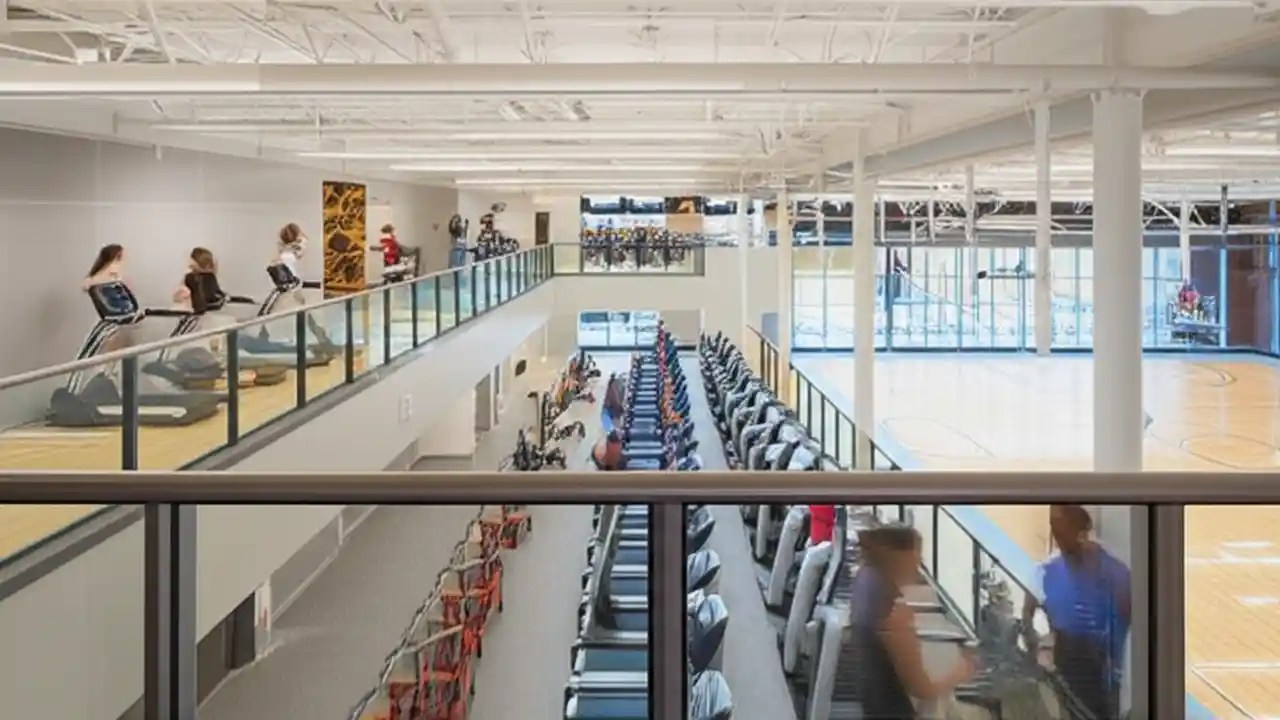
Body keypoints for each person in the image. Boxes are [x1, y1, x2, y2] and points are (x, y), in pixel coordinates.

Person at [850, 526, 977, 718]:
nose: (920, 562)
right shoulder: (892, 612)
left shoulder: (866, 578)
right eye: (917, 554)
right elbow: (921, 688)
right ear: (900, 556)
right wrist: (962, 671)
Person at [1022, 505, 1130, 720]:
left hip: (1103, 680)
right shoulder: (1045, 572)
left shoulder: (1116, 574)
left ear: (1082, 533)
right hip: (1064, 676)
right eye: (1056, 531)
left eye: (1063, 532)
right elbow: (1026, 613)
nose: (1058, 538)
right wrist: (1034, 644)